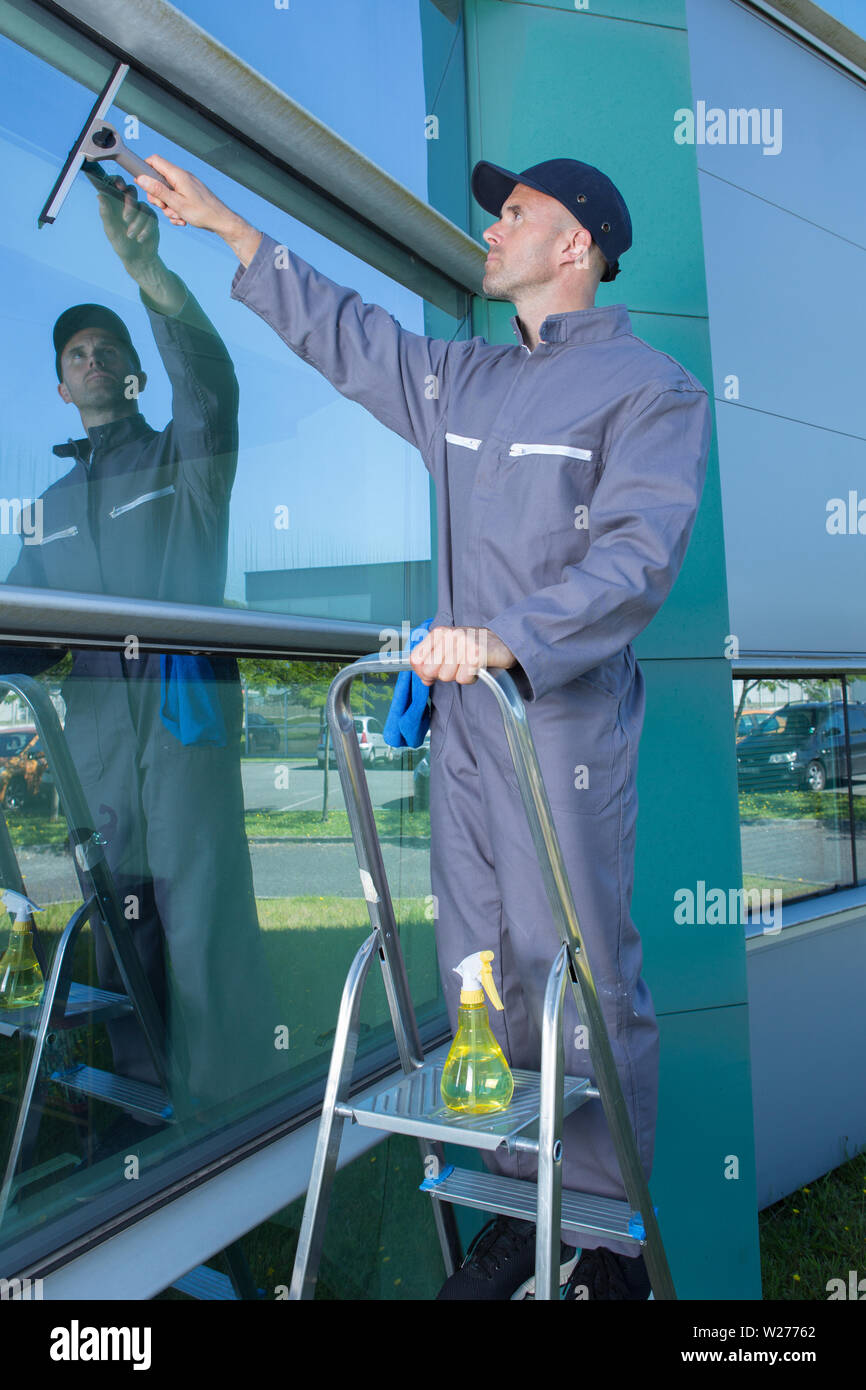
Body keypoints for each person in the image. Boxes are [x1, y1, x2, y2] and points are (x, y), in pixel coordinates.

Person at [135, 151, 711, 1298]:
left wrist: (508, 635)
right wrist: (233, 233)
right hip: (461, 729)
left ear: (575, 247)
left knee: (577, 970)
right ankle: (515, 1197)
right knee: (476, 965)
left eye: (514, 214)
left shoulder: (652, 390)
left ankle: (600, 1234)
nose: (490, 231)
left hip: (559, 729)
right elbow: (350, 338)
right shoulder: (465, 379)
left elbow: (639, 556)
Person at [1, 176, 280, 1151]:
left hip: (182, 720)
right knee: (120, 932)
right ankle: (131, 1122)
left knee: (200, 924)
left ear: (131, 373)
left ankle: (219, 1125)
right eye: (75, 352)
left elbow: (215, 387)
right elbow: (18, 631)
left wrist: (150, 275)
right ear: (62, 379)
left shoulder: (181, 461)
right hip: (96, 745)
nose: (90, 360)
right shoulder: (48, 509)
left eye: (106, 348)